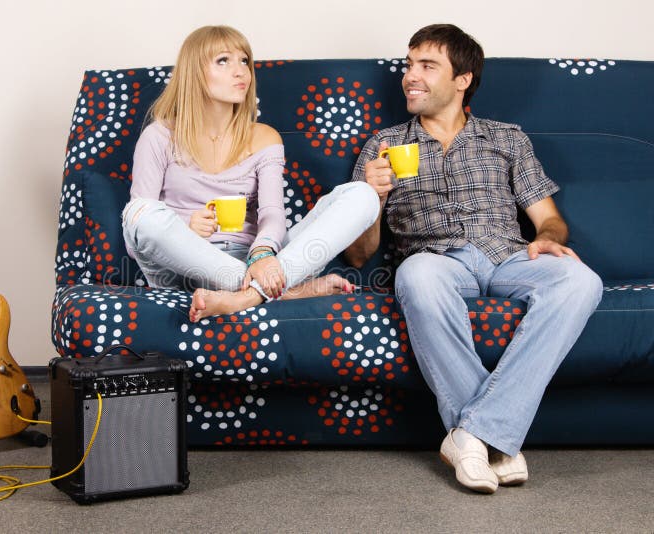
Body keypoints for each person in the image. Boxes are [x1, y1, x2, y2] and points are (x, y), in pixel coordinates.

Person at [345, 24, 603, 493]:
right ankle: (497, 442)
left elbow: (550, 219)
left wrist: (546, 237)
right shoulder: (381, 147)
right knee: (417, 275)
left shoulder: (507, 138)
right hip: (436, 260)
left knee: (581, 280)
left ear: (462, 79)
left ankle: (472, 436)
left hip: (507, 255)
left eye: (427, 66)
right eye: (408, 65)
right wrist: (371, 195)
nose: (410, 77)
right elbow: (360, 255)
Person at [122, 25, 380, 323]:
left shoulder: (264, 137)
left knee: (362, 194)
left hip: (257, 259)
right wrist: (185, 228)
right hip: (184, 267)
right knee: (139, 211)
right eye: (223, 60)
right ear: (194, 72)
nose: (241, 71)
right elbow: (135, 236)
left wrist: (261, 256)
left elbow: (272, 215)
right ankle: (285, 291)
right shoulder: (159, 136)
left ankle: (245, 297)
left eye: (244, 61)